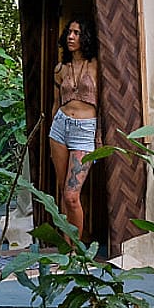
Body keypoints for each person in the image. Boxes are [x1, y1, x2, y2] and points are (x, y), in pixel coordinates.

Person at [48, 17, 98, 237]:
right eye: (69, 32)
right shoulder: (61, 68)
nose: (71, 36)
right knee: (62, 192)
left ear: (85, 37)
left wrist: (101, 135)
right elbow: (55, 103)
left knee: (71, 195)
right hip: (60, 127)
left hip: (85, 131)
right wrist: (52, 126)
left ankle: (76, 252)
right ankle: (65, 247)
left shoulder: (97, 65)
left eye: (76, 33)